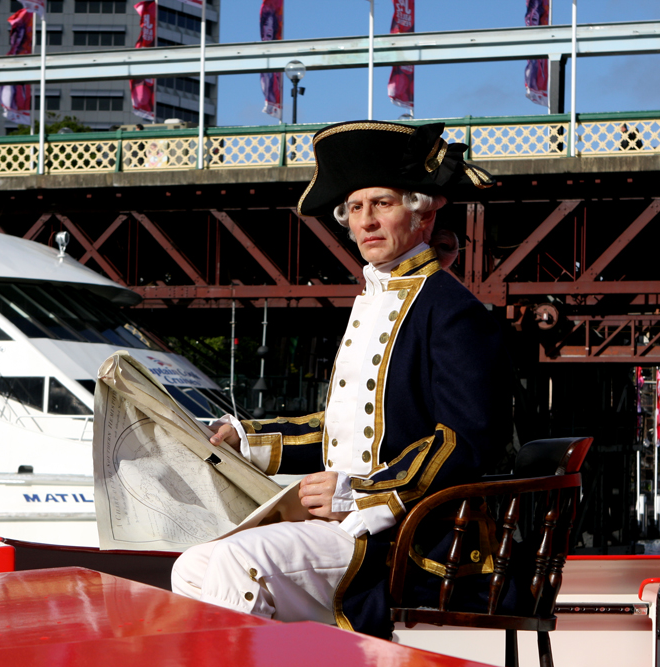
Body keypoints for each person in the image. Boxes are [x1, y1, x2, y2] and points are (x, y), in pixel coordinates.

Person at [171, 120, 511, 638]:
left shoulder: (451, 309)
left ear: (422, 212)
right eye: (355, 208)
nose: (367, 221)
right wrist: (247, 441)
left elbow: (467, 441)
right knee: (190, 566)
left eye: (382, 203)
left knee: (230, 565)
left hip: (411, 540)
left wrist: (361, 494)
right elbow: (346, 427)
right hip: (348, 526)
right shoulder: (373, 302)